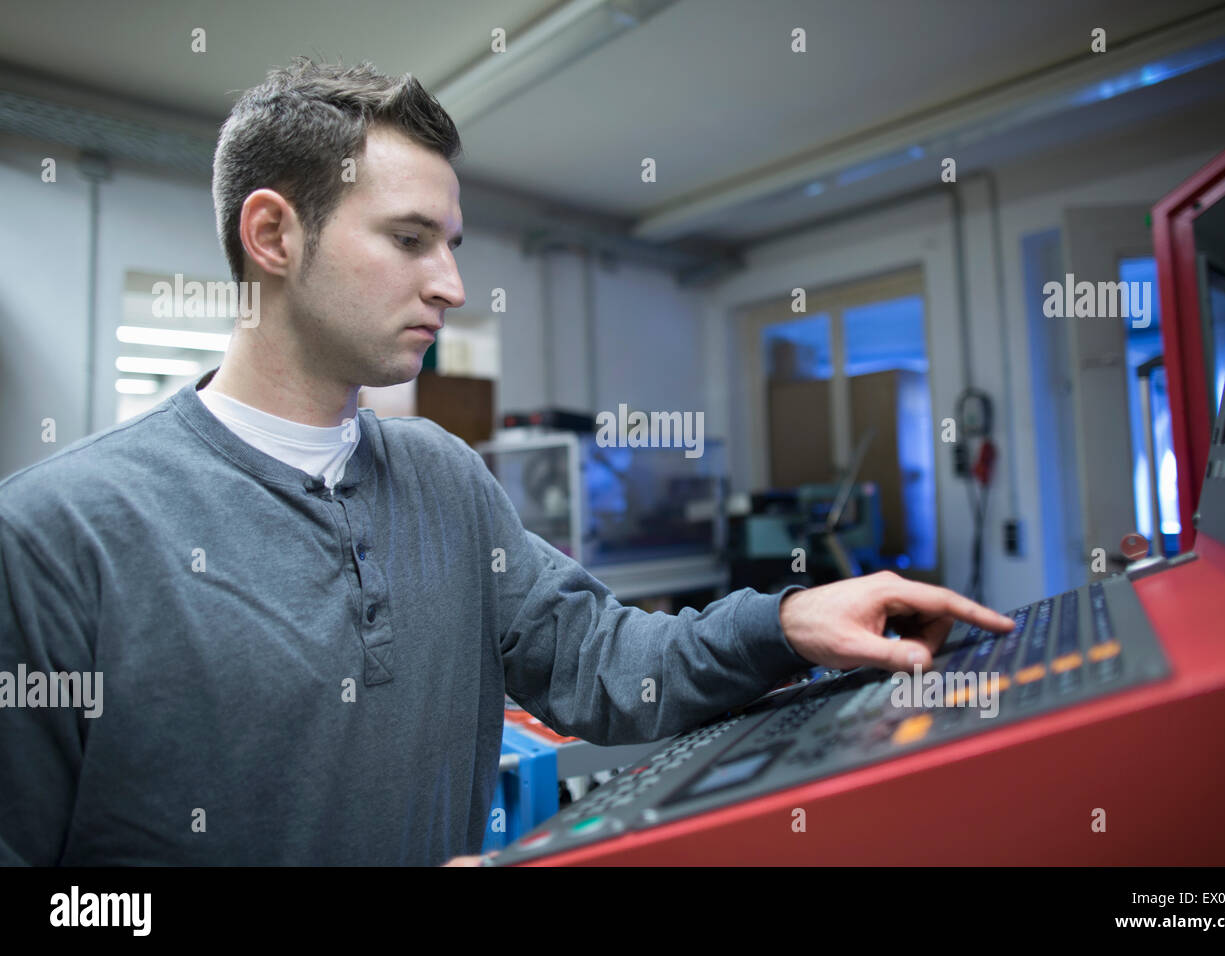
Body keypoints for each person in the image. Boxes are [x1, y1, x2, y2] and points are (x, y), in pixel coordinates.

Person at [0, 58, 1013, 867]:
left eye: (450, 242)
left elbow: (613, 668)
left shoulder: (443, 477)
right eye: (408, 238)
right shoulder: (58, 534)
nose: (449, 283)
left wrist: (787, 621)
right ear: (272, 233)